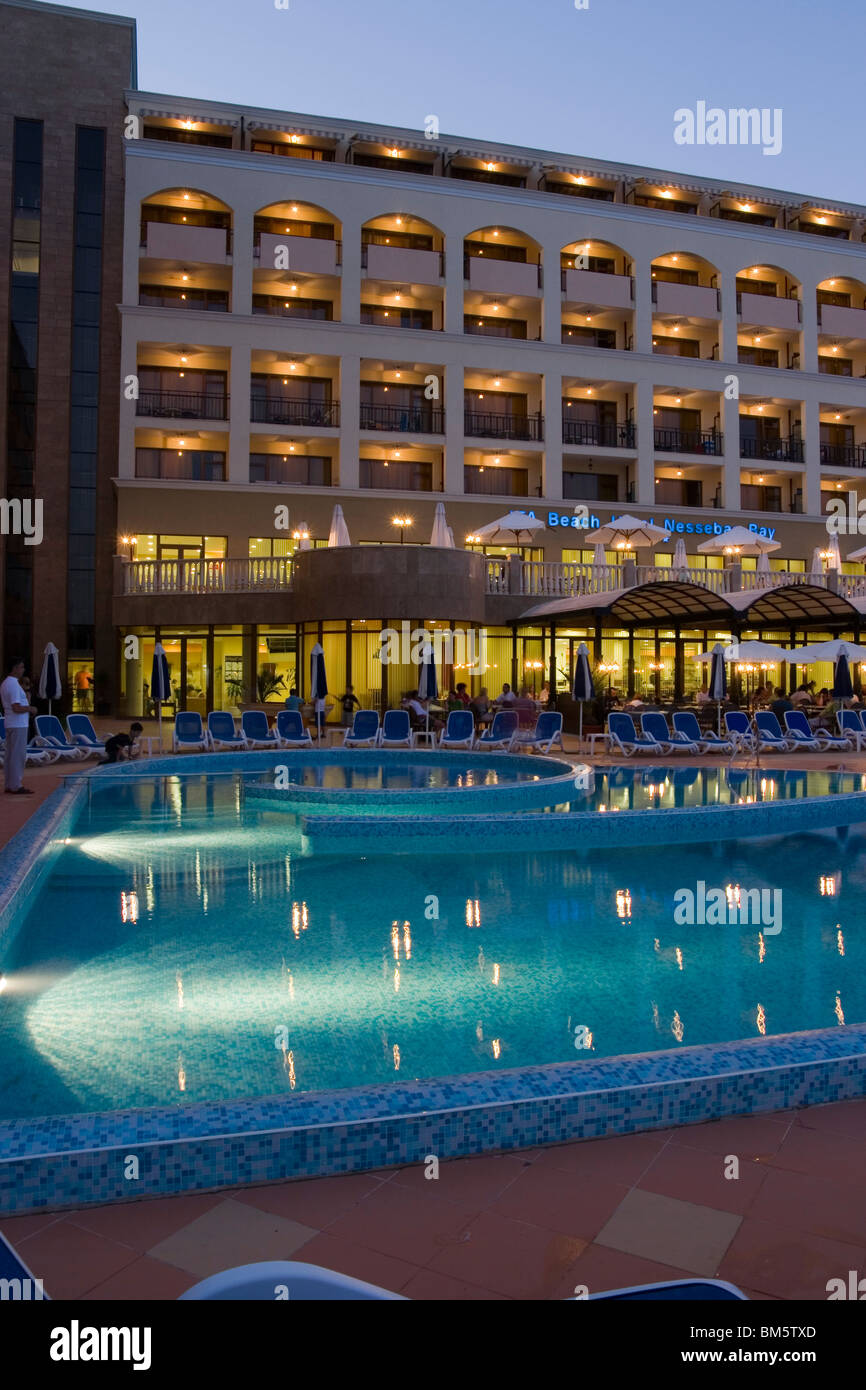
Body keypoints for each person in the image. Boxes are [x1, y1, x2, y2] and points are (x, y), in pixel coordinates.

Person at [1, 659, 37, 795]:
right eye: (21, 667)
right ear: (15, 668)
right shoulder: (13, 685)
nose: (23, 670)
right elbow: (16, 707)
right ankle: (16, 785)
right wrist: (30, 708)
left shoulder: (6, 683)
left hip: (11, 723)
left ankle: (10, 783)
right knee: (17, 755)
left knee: (10, 755)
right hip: (18, 724)